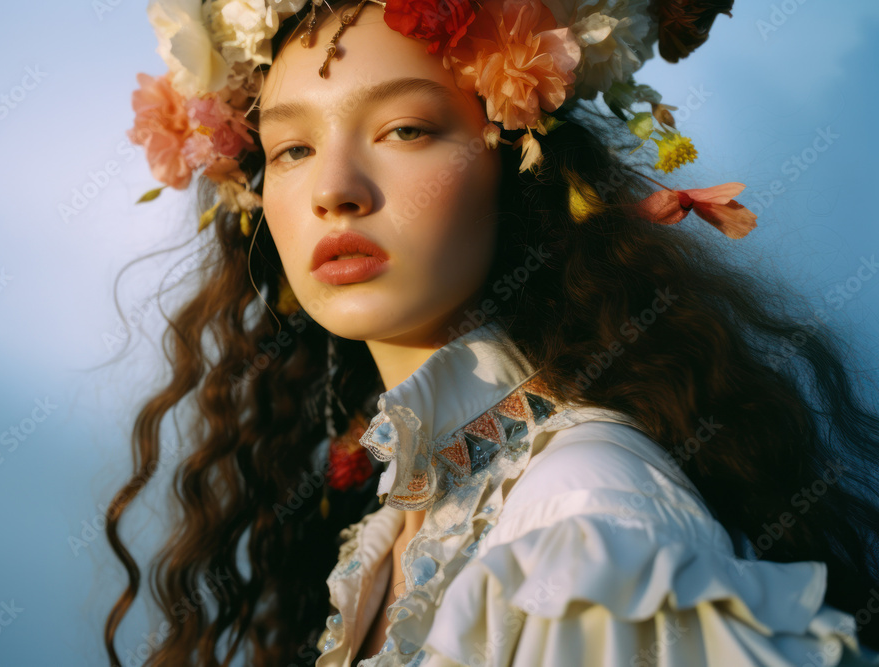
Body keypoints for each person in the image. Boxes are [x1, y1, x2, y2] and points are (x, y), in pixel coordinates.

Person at [106, 0, 879, 665]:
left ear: (520, 162)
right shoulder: (394, 526)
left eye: (405, 129)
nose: (334, 190)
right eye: (293, 149)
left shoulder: (585, 510)